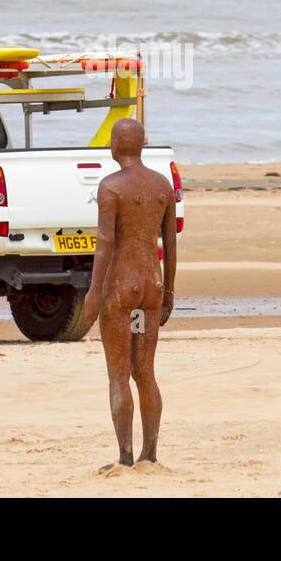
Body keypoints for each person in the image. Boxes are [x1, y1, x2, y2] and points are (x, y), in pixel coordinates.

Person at [81, 118, 178, 469]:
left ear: (116, 145)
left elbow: (105, 243)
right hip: (150, 286)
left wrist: (94, 293)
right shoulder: (161, 184)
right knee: (145, 372)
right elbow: (170, 243)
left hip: (123, 287)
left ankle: (124, 459)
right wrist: (168, 291)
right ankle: (149, 454)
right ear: (139, 144)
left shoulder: (111, 186)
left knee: (119, 374)